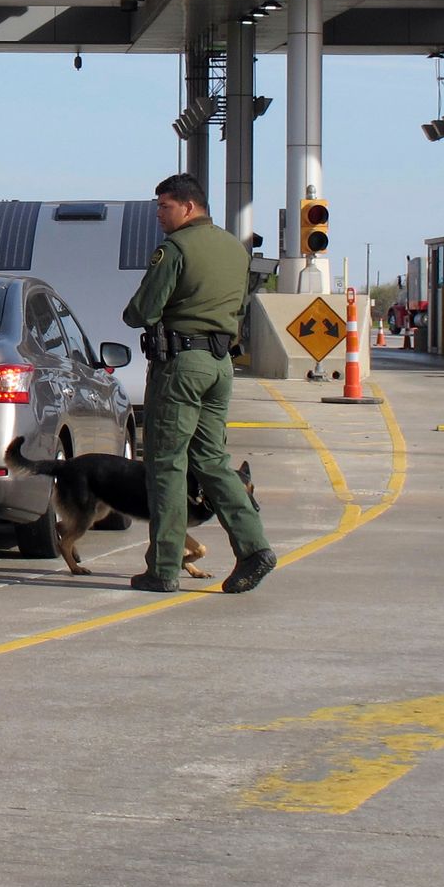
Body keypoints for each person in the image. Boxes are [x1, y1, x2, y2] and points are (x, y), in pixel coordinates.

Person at [121, 174, 275, 595]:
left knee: (167, 464)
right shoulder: (233, 248)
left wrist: (138, 311)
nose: (158, 215)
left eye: (165, 207)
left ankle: (164, 567)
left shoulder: (175, 249)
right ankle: (254, 548)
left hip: (180, 367)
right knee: (211, 461)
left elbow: (142, 310)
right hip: (219, 365)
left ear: (189, 207)